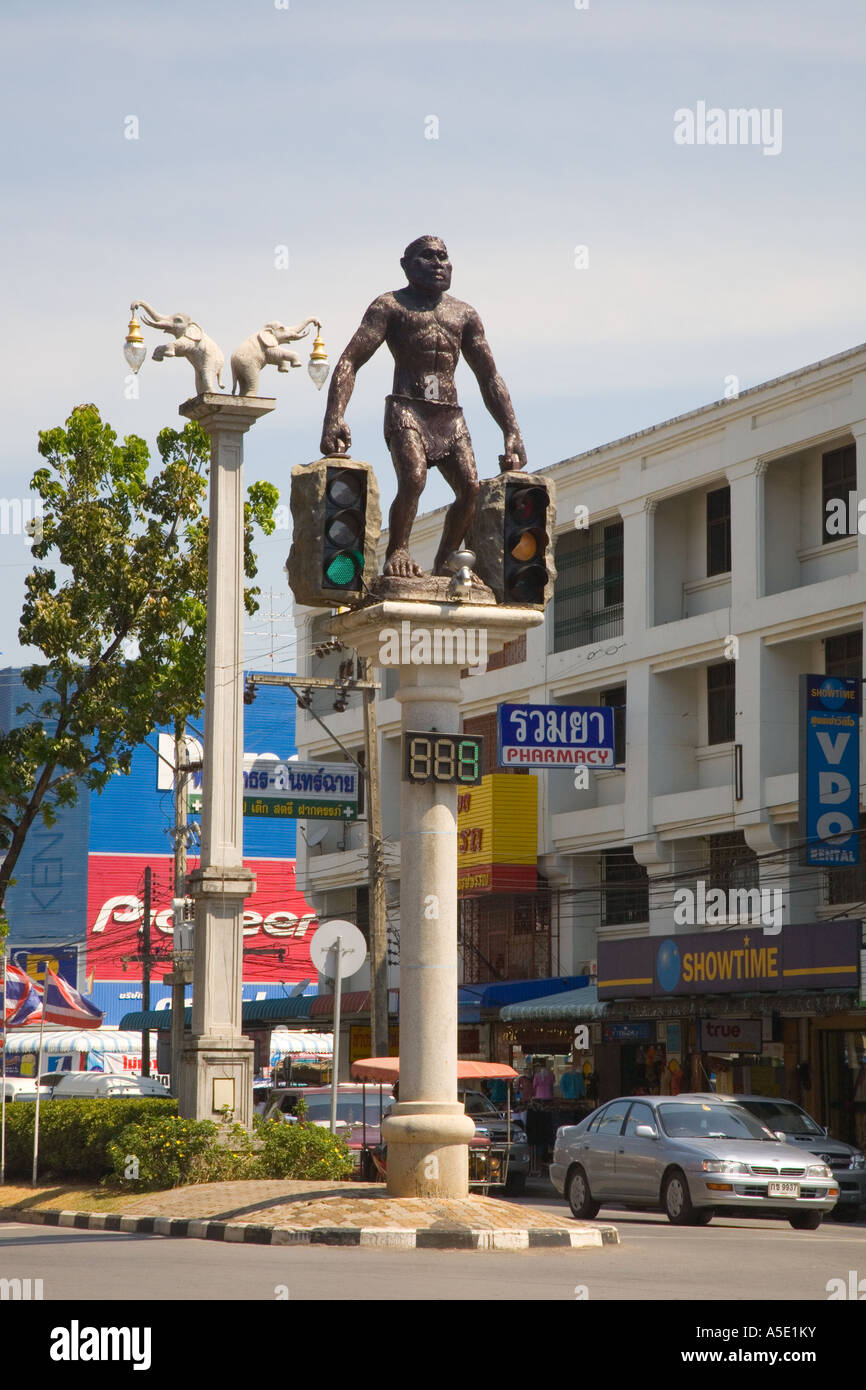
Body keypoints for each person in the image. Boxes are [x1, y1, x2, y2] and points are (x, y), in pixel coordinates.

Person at [320, 235, 527, 579]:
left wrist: (512, 430)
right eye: (426, 256)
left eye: (443, 257)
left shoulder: (464, 314)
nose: (437, 263)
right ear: (405, 265)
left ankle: (447, 559)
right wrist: (334, 417)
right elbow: (349, 362)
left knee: (470, 488)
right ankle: (397, 551)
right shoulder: (390, 307)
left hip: (448, 415)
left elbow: (489, 376)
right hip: (407, 409)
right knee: (414, 479)